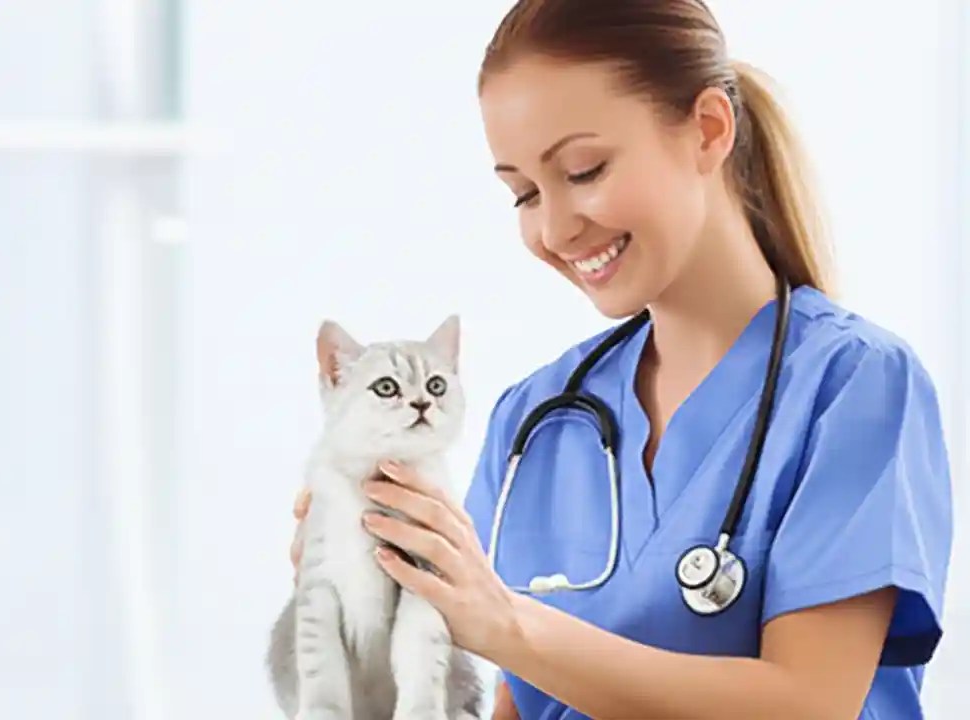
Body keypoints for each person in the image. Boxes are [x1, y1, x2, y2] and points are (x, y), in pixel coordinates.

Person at [288, 0, 955, 718]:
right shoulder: (534, 421)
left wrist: (506, 625)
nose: (554, 227)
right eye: (523, 194)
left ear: (707, 130)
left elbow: (807, 704)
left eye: (584, 170)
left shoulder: (851, 386)